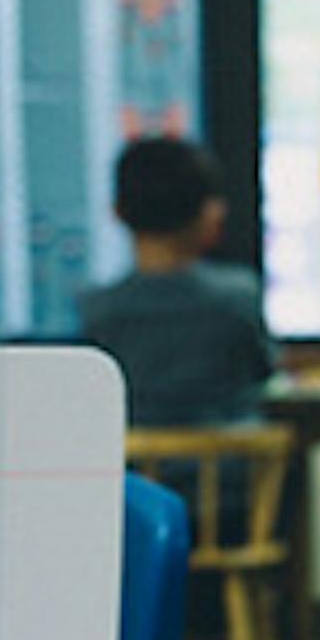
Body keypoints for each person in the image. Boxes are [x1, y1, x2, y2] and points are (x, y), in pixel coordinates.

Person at [80, 136, 275, 427]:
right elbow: (265, 369)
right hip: (232, 468)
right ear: (210, 215)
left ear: (117, 212)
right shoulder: (238, 297)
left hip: (131, 468)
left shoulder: (94, 310)